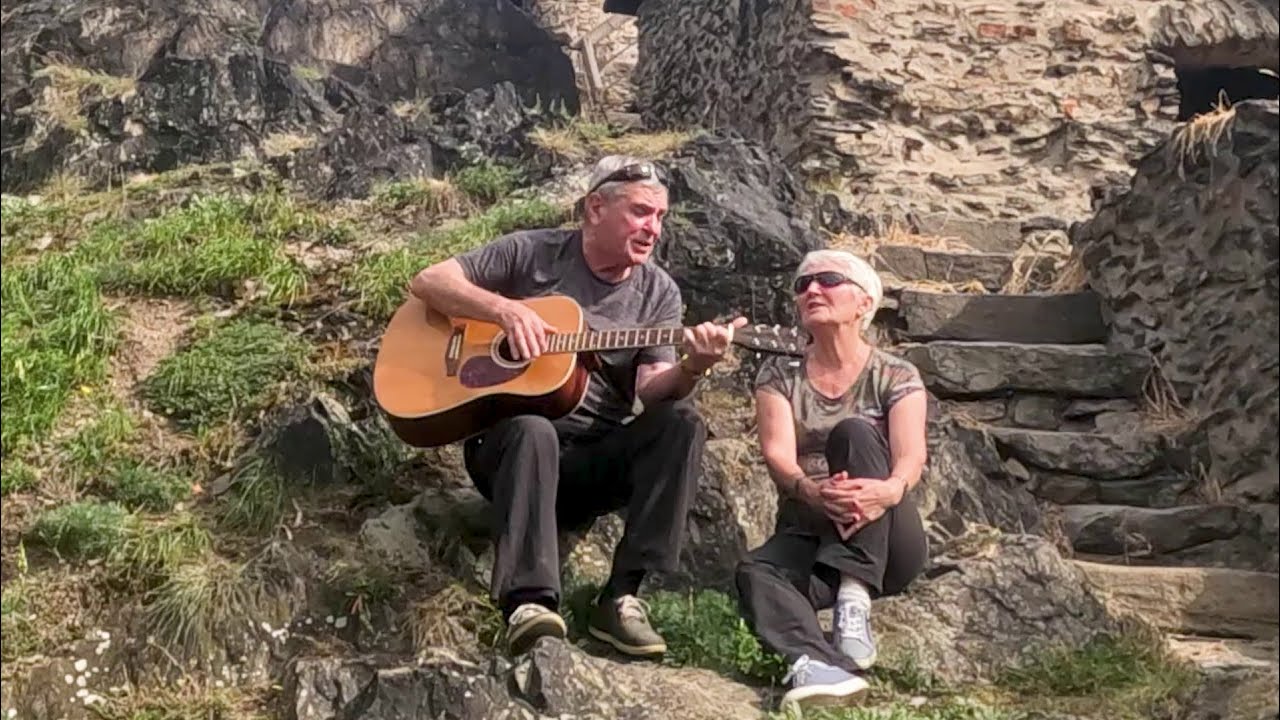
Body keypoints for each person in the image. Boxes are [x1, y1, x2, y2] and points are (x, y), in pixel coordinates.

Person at [408, 155, 743, 658]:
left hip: (591, 461)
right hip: (509, 453)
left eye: (659, 217)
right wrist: (504, 310)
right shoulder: (532, 253)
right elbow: (429, 281)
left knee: (681, 425)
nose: (653, 228)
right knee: (533, 429)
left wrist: (694, 367)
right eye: (639, 212)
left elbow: (653, 390)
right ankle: (528, 602)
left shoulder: (658, 293)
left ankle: (623, 597)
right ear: (594, 208)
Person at [734, 249, 930, 710]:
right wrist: (814, 492)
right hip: (811, 524)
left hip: (886, 541)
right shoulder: (779, 375)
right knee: (756, 572)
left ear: (864, 303)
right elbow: (779, 455)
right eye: (802, 285)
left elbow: (910, 456)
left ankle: (855, 591)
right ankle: (817, 664)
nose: (811, 290)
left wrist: (887, 491)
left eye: (826, 280)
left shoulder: (895, 373)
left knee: (855, 432)